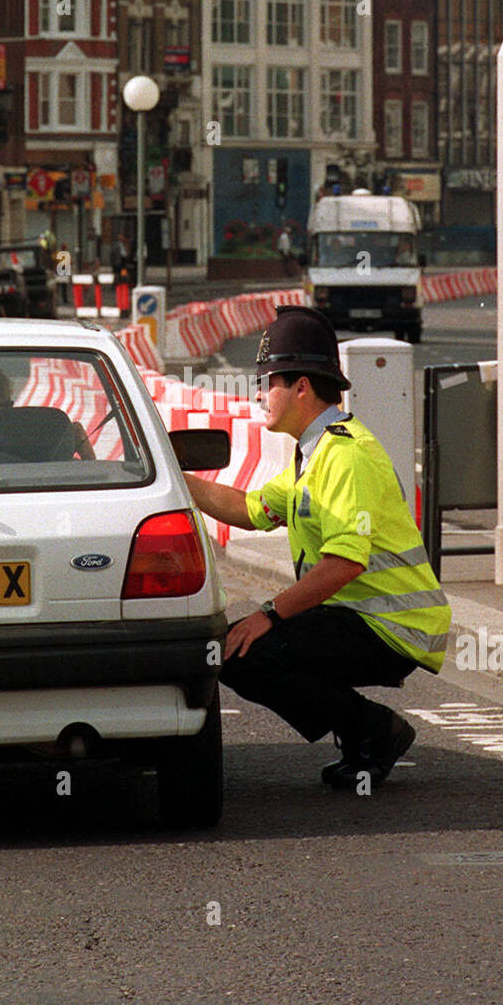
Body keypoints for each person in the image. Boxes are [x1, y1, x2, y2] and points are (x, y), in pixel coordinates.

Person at [185, 305, 451, 790]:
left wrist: (269, 613)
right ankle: (365, 732)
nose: (261, 394)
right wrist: (175, 481)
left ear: (301, 386)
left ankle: (373, 730)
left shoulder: (346, 454)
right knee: (234, 644)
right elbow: (249, 509)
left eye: (268, 382)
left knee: (247, 649)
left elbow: (345, 564)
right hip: (358, 617)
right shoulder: (315, 452)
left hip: (390, 624)